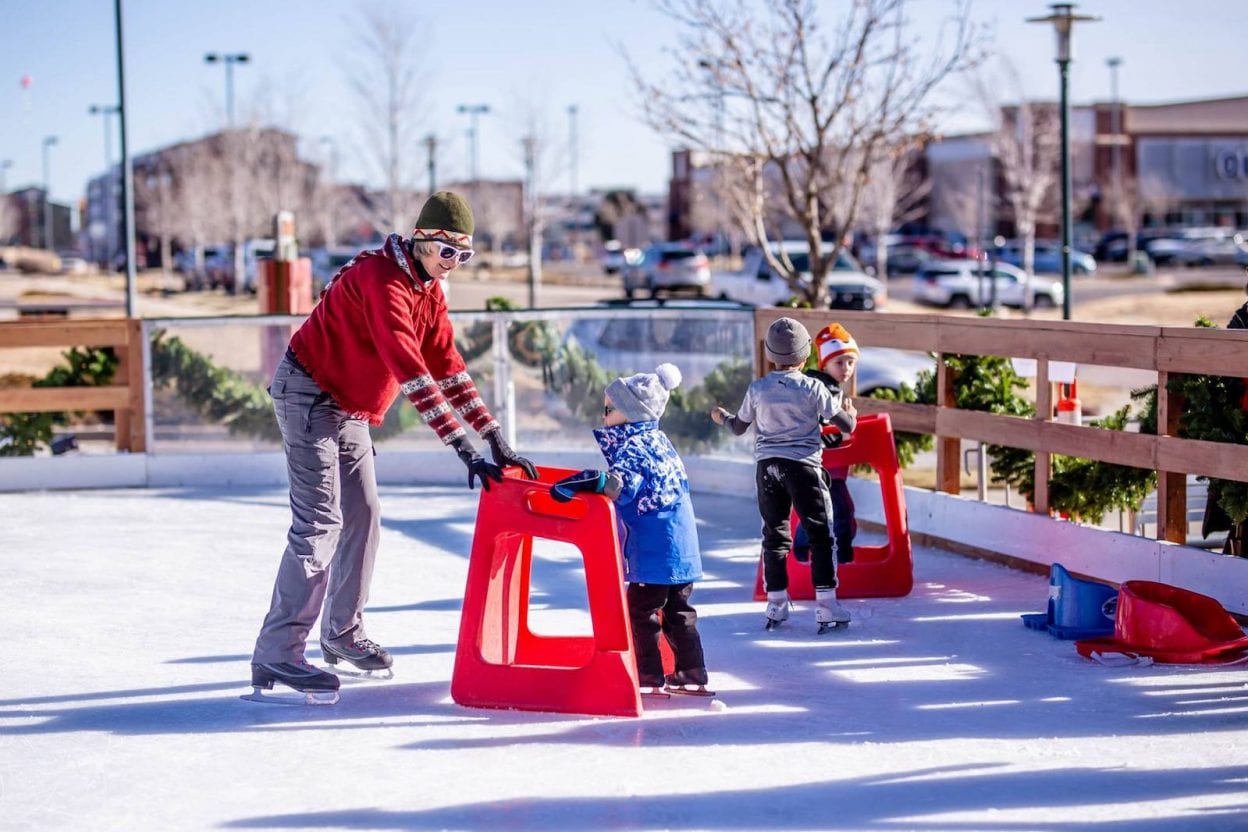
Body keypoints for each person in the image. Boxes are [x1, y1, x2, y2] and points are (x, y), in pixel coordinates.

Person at [248, 191, 537, 702]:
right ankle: (279, 651)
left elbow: (446, 363)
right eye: (448, 251)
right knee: (320, 524)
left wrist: (493, 437)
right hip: (310, 394)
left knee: (364, 514)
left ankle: (342, 632)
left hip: (349, 407)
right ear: (423, 241)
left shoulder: (429, 290)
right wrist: (462, 447)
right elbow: (411, 369)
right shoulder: (381, 281)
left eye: (464, 254)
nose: (454, 263)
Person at [549, 363, 710, 695]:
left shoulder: (635, 446)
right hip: (683, 548)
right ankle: (692, 671)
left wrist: (589, 480)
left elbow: (618, 485)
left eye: (609, 410)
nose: (604, 416)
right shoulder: (660, 440)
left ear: (630, 413)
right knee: (679, 612)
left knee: (641, 610)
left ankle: (648, 676)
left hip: (655, 549)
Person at [711, 317, 857, 632]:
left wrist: (722, 417)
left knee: (774, 535)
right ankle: (826, 605)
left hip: (767, 468)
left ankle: (776, 604)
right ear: (805, 355)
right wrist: (851, 414)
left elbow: (738, 427)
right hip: (804, 467)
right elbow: (846, 425)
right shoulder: (814, 387)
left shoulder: (757, 389)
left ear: (770, 355)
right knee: (821, 534)